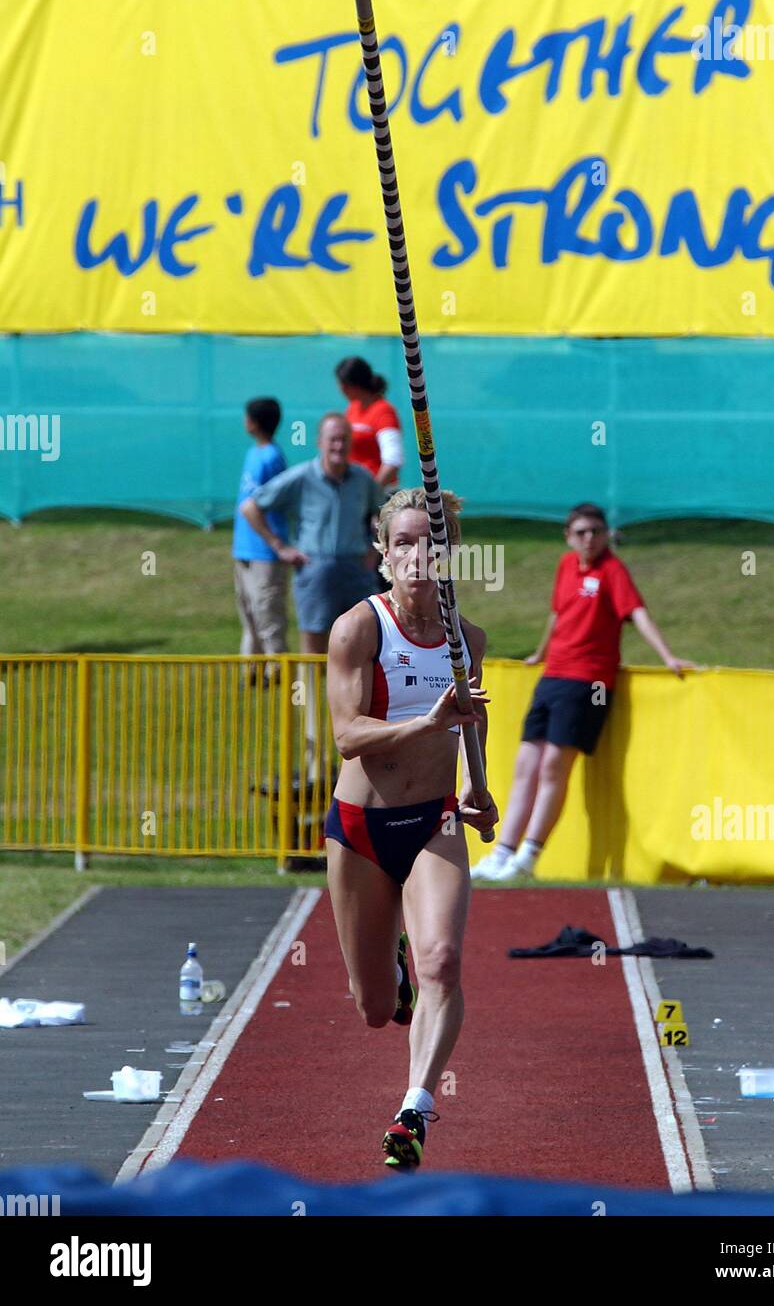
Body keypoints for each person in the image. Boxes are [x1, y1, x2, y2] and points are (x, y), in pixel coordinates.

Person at [325, 487, 498, 1170]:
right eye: (402, 543)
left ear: (450, 553)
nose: (416, 556)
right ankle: (389, 973)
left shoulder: (467, 640)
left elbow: (470, 719)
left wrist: (479, 788)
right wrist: (426, 722)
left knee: (445, 964)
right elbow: (346, 735)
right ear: (382, 553)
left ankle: (414, 1110)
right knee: (373, 1008)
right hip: (361, 827)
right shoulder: (358, 629)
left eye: (430, 543)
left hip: (434, 820)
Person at [472, 503, 695, 882]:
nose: (589, 538)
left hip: (587, 681)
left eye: (596, 531)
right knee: (526, 765)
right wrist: (540, 654)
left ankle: (528, 855)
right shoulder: (565, 566)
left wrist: (669, 655)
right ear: (569, 537)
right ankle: (502, 852)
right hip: (553, 675)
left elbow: (637, 612)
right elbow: (557, 615)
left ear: (606, 534)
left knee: (553, 766)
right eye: (581, 532)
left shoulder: (612, 570)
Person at [239, 413, 383, 655]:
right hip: (315, 568)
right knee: (314, 644)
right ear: (320, 442)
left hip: (356, 568)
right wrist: (279, 546)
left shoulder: (362, 478)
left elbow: (381, 513)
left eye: (344, 439)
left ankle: (357, 692)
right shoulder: (301, 477)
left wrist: (376, 548)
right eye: (333, 439)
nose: (338, 445)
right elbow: (250, 507)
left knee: (364, 638)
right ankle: (309, 694)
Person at [232, 398, 289, 680]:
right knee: (250, 613)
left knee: (269, 613)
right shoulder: (253, 453)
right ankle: (251, 670)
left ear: (255, 422)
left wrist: (275, 542)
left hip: (265, 551)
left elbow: (278, 502)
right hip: (244, 548)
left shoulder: (272, 458)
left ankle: (277, 669)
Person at [336, 355, 404, 493]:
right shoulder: (352, 408)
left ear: (355, 384)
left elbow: (393, 461)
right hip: (355, 491)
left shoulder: (384, 411)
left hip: (381, 494)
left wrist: (371, 493)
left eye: (344, 384)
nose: (340, 388)